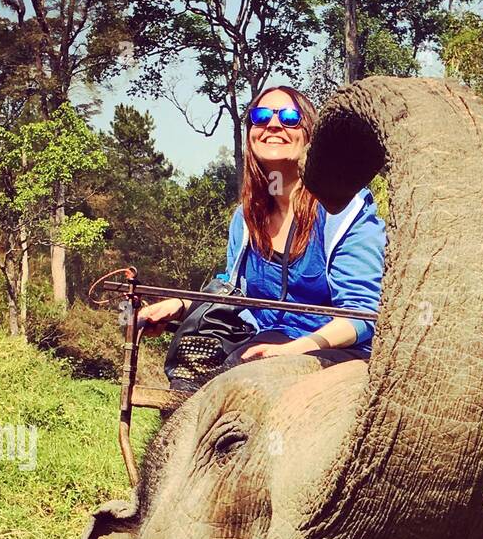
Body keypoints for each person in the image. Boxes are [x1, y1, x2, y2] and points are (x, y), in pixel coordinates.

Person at [139, 84, 386, 378]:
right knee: (192, 363)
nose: (273, 124)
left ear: (310, 135)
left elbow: (363, 314)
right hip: (261, 343)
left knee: (246, 375)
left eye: (290, 117)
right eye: (261, 115)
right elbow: (233, 290)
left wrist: (295, 350)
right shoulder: (246, 217)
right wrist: (178, 306)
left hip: (334, 351)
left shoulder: (346, 209)